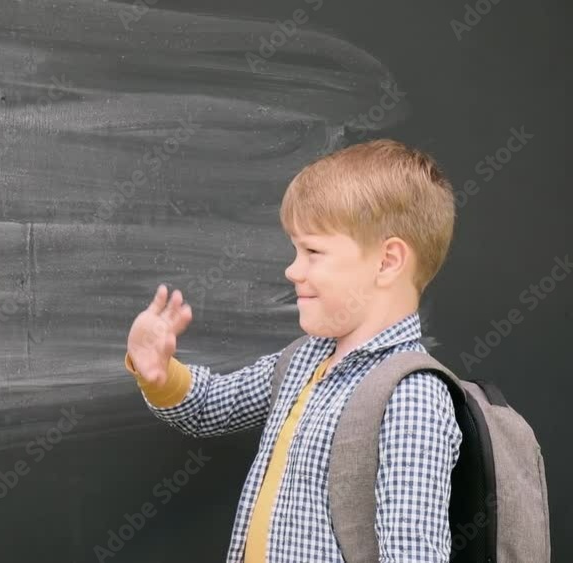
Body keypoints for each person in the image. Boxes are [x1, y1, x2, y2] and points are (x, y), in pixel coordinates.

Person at [124, 139, 462, 562]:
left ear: (388, 261)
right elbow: (210, 407)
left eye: (313, 252)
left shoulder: (411, 397)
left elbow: (412, 556)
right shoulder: (304, 360)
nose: (292, 269)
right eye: (296, 250)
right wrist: (157, 371)